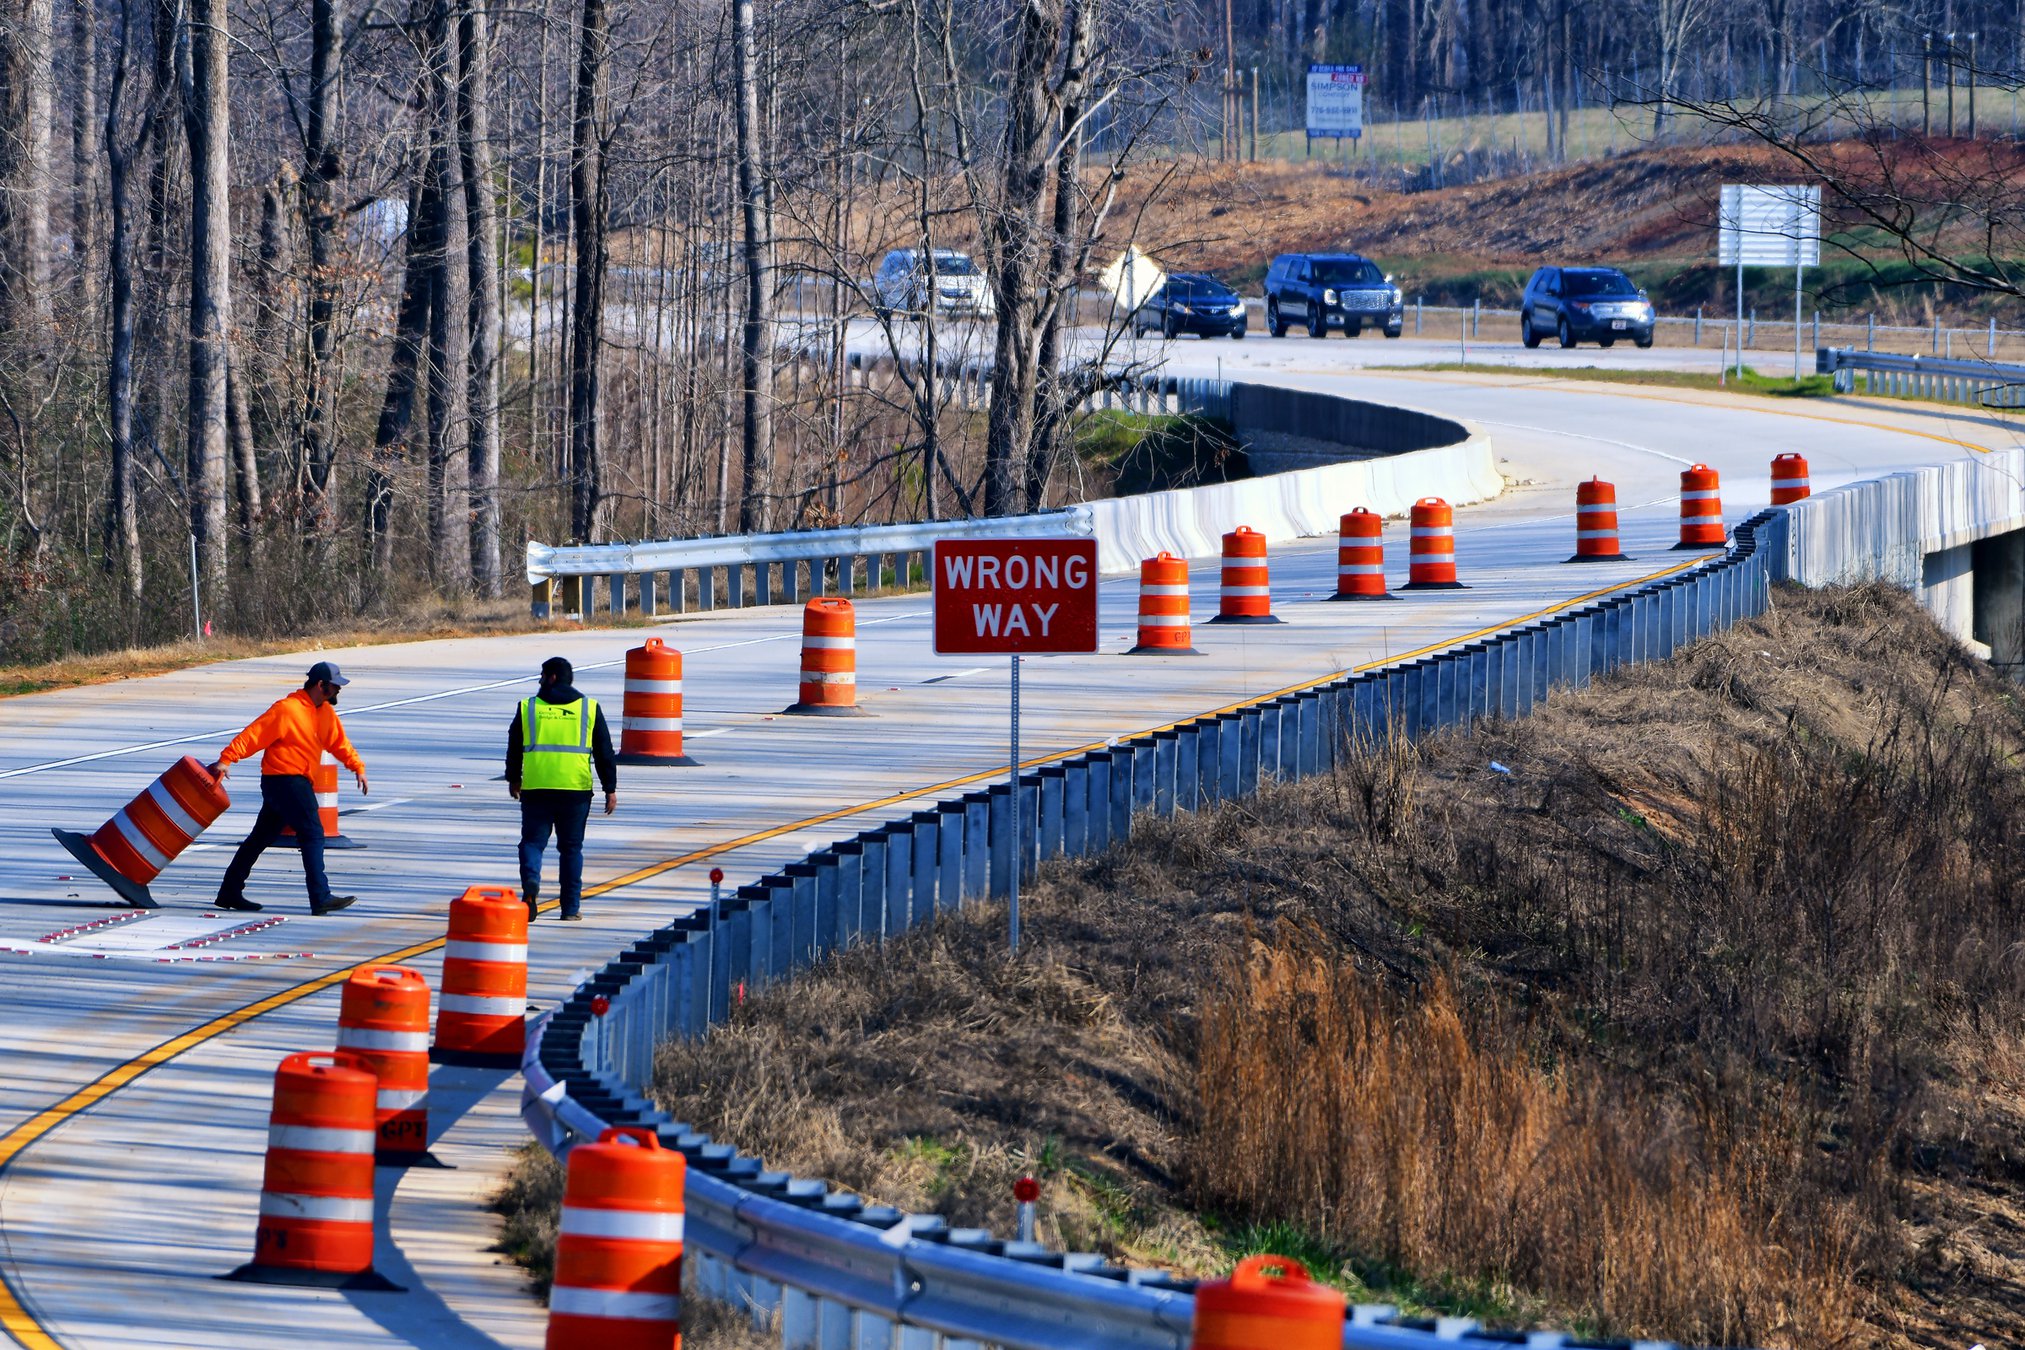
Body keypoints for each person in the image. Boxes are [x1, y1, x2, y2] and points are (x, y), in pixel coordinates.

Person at [209, 661, 369, 915]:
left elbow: (339, 743)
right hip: (284, 780)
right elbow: (254, 734)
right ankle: (320, 896)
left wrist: (357, 767)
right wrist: (227, 758)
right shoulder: (287, 709)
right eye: (335, 687)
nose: (338, 691)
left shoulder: (325, 712)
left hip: (293, 782)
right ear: (320, 685)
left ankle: (229, 891)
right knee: (313, 833)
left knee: (260, 837)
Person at [506, 656, 617, 921]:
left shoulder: (528, 708)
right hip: (575, 791)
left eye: (542, 676)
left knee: (533, 843)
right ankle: (570, 908)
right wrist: (610, 789)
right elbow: (605, 752)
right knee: (571, 849)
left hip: (536, 788)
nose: (540, 681)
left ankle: (531, 884)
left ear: (552, 677)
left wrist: (514, 778)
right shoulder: (589, 708)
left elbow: (514, 746)